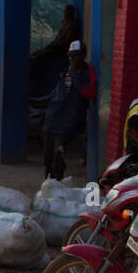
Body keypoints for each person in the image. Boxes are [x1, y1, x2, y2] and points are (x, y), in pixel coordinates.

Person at [41, 40, 96, 180]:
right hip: (54, 117)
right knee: (48, 156)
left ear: (82, 55)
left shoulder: (86, 71)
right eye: (70, 56)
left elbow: (89, 92)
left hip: (69, 120)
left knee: (59, 153)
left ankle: (57, 181)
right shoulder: (67, 71)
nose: (72, 59)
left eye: (75, 55)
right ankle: (48, 182)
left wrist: (74, 77)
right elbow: (63, 90)